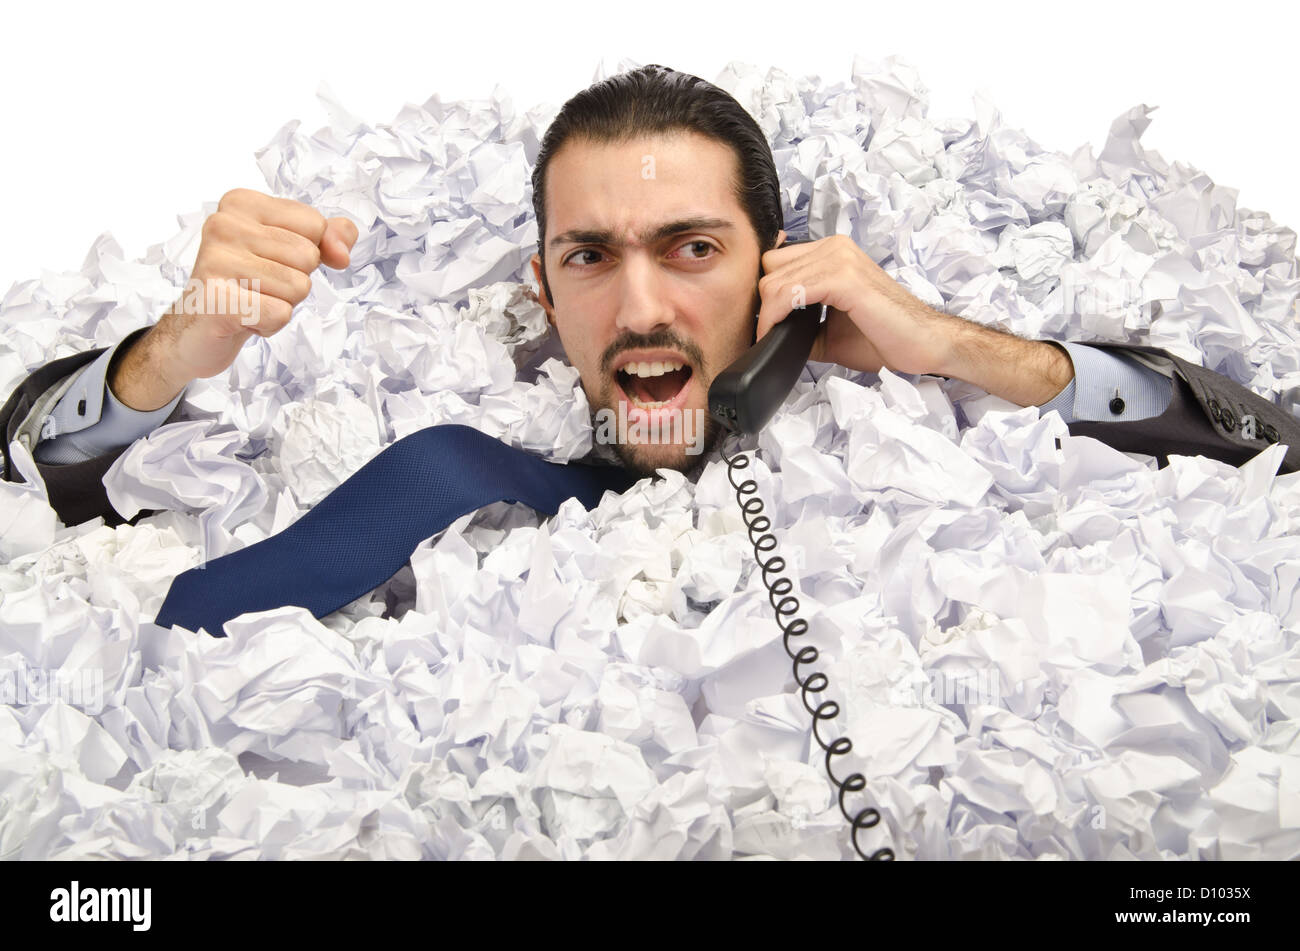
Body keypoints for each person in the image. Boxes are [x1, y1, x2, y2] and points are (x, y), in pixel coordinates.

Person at [3, 64, 1297, 529]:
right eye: (589, 256)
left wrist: (965, 350)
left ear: (774, 265)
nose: (636, 305)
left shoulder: (929, 417)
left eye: (690, 249)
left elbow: (1266, 446)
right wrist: (168, 356)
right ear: (540, 288)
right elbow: (39, 487)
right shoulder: (420, 430)